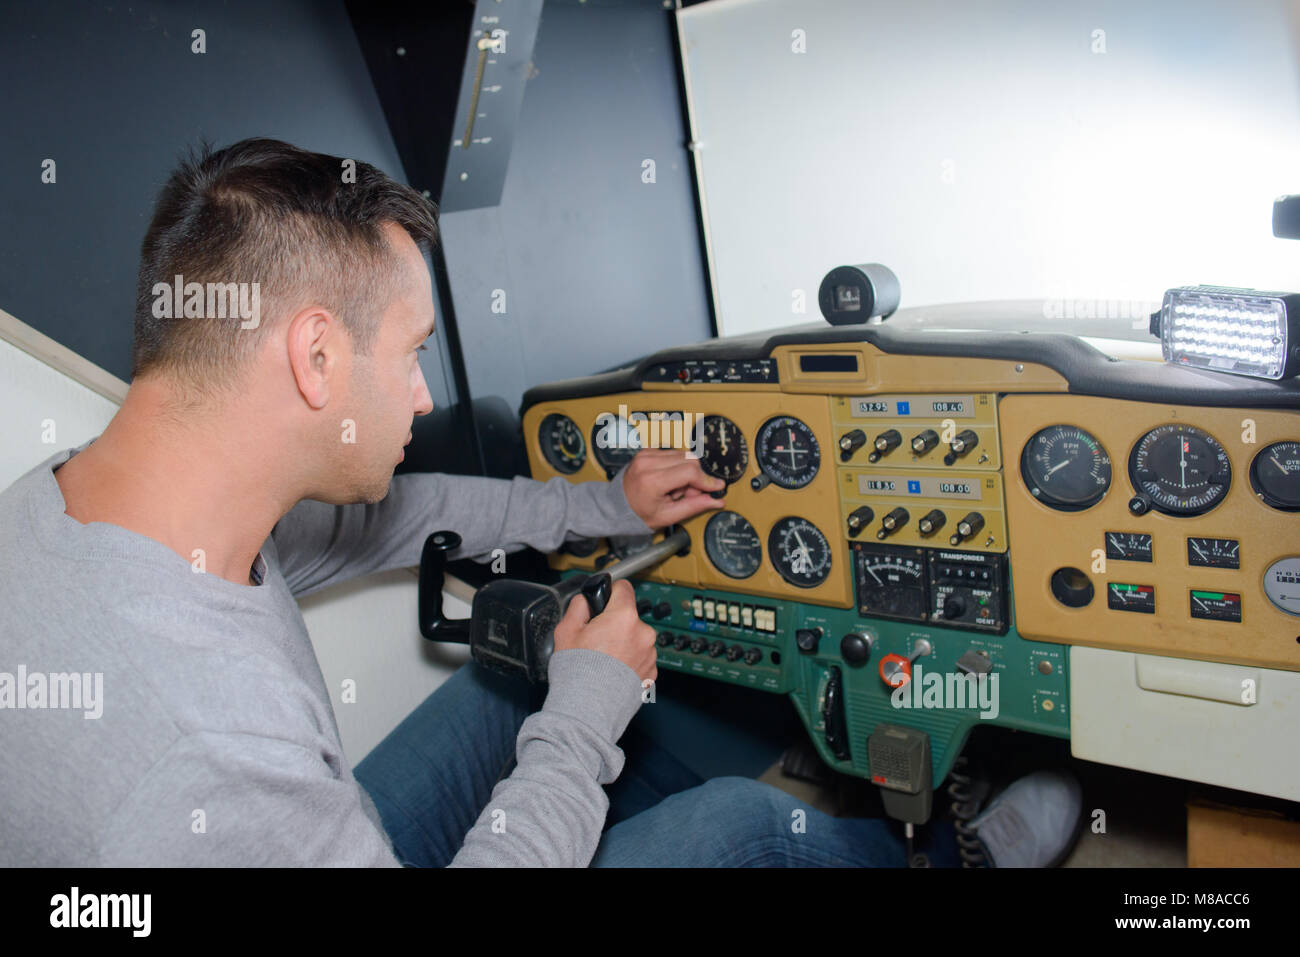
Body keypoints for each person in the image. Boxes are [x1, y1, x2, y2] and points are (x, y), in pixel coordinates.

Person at [0, 138, 1079, 867]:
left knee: (497, 692)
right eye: (414, 355)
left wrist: (600, 505)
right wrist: (585, 714)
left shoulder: (83, 507)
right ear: (315, 357)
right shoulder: (199, 753)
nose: (425, 399)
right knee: (740, 827)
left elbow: (405, 515)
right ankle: (956, 856)